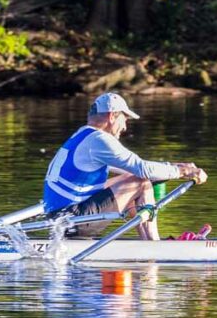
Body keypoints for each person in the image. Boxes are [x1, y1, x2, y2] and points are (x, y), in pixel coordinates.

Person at [42, 92, 207, 240]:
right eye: (124, 119)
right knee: (140, 182)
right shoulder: (99, 140)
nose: (125, 127)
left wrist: (176, 167)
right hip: (72, 221)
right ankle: (154, 245)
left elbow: (135, 170)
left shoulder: (81, 135)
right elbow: (142, 169)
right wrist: (183, 171)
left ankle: (149, 242)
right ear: (113, 116)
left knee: (134, 179)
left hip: (62, 221)